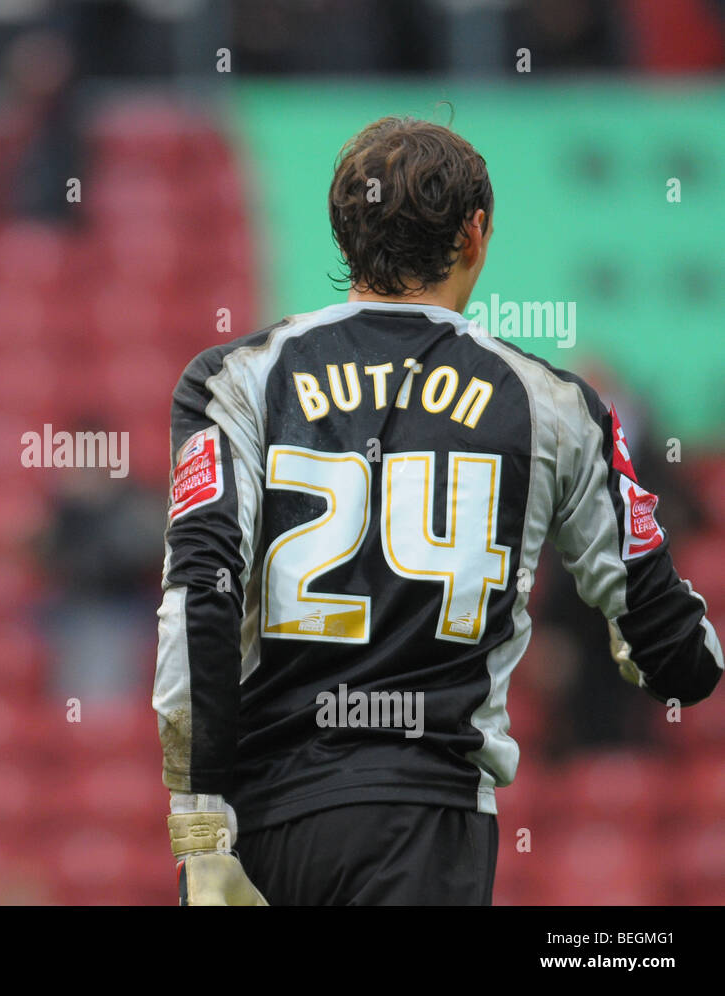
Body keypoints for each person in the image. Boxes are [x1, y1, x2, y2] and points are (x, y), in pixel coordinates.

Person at [153, 116, 722, 906]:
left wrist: (200, 827)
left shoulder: (233, 378)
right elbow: (680, 657)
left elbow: (198, 604)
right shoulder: (551, 403)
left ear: (342, 233)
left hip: (260, 831)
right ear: (476, 233)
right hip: (428, 827)